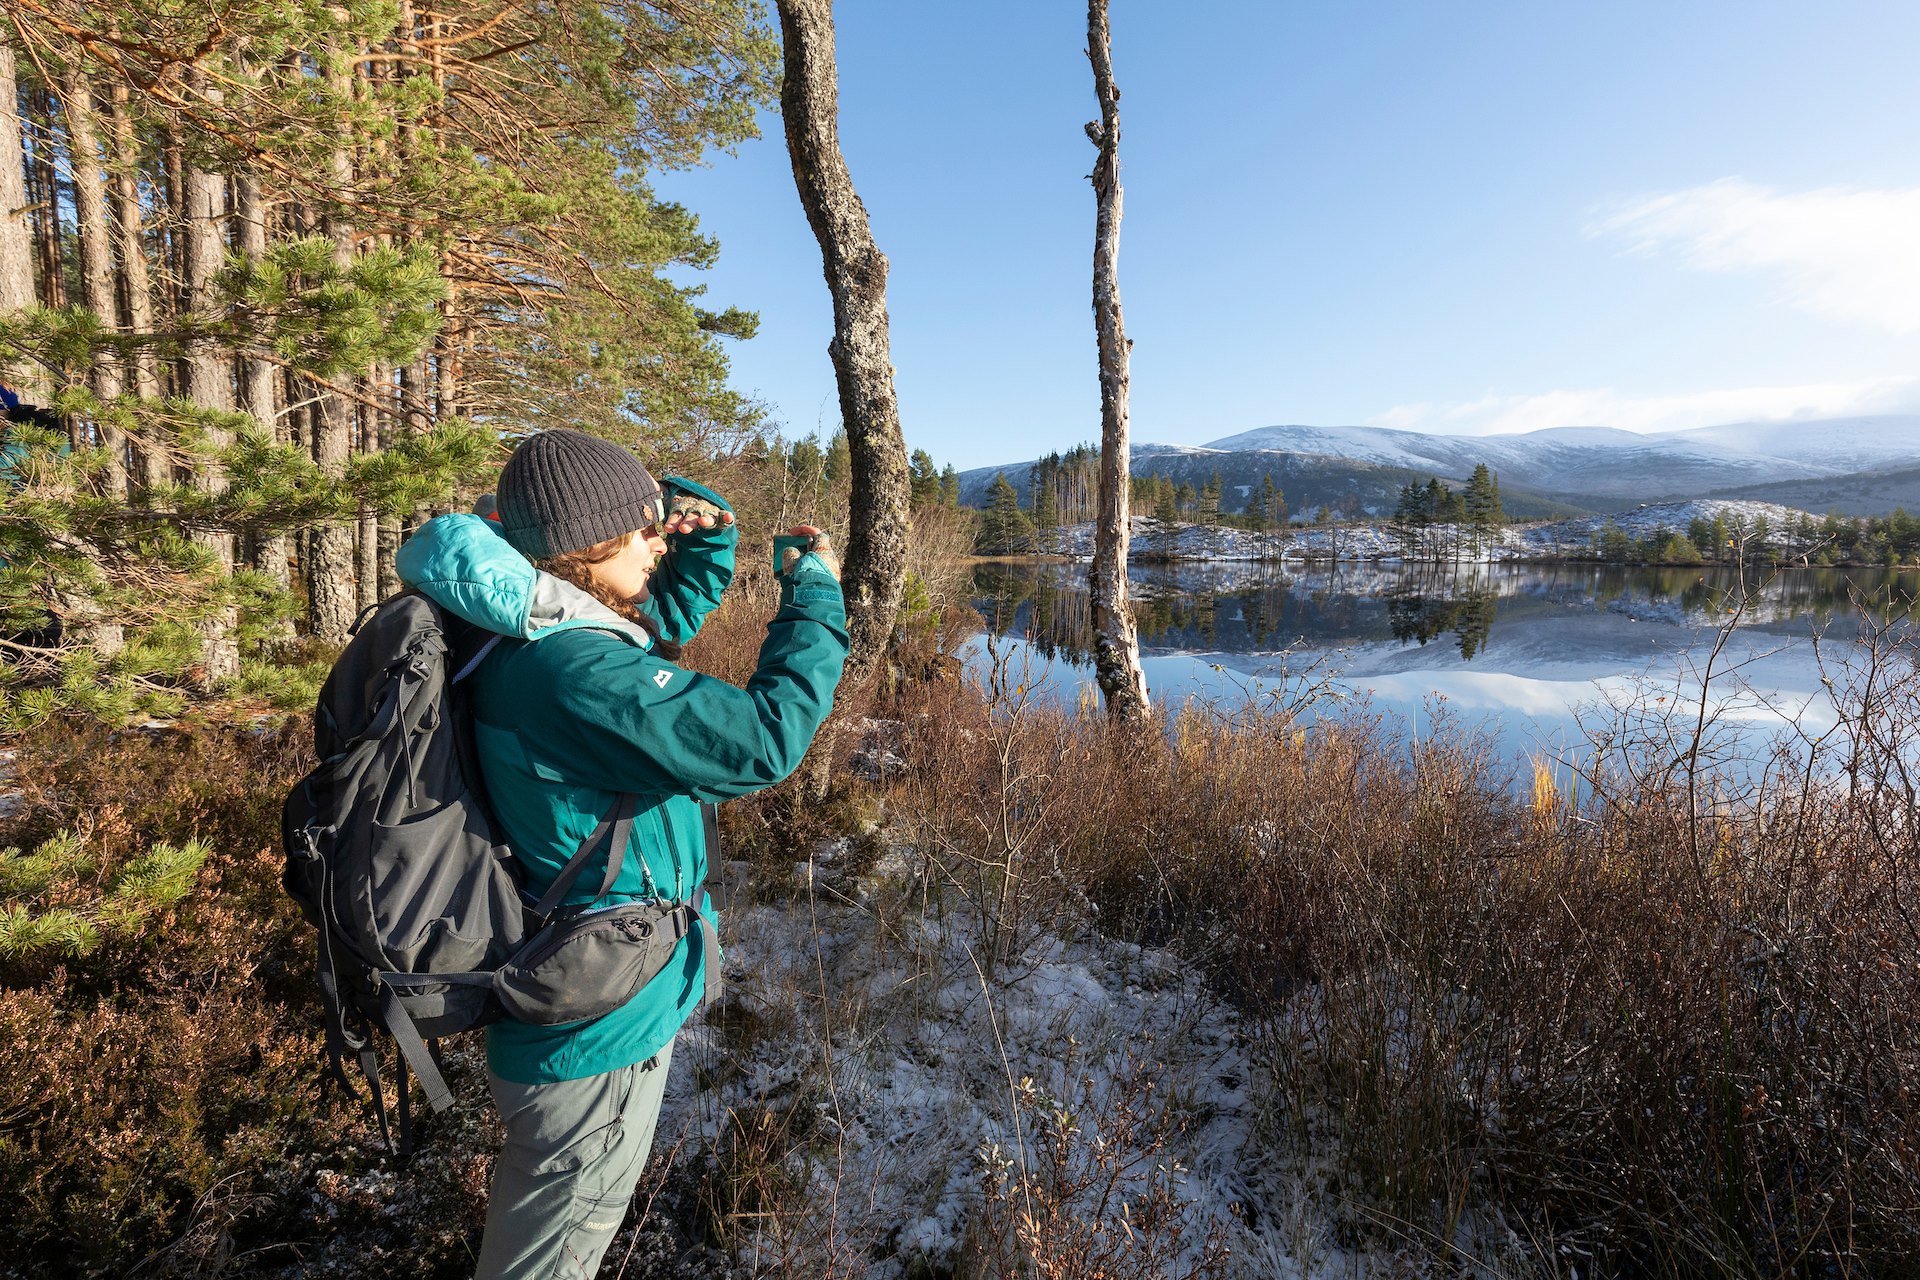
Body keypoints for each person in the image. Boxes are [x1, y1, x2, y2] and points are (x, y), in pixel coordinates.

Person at [393, 428, 848, 1279]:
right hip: (594, 1036)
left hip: (587, 991)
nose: (653, 541)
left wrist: (703, 540)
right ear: (582, 550)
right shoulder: (574, 673)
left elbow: (653, 626)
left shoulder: (525, 627)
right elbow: (760, 741)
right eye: (637, 531)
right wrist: (814, 601)